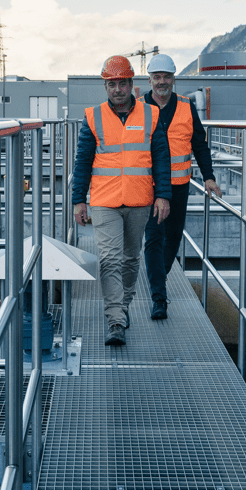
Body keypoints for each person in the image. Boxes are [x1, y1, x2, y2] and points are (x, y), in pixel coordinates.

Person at [72, 55, 171, 346]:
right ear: (106, 86)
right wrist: (79, 199)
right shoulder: (93, 117)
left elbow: (162, 159)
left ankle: (124, 303)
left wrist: (163, 195)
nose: (117, 89)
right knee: (110, 259)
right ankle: (115, 319)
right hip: (104, 200)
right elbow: (83, 161)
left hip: (140, 199)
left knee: (130, 259)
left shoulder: (151, 115)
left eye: (122, 83)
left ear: (132, 84)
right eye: (112, 84)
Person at [140, 54, 221, 320]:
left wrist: (209, 177)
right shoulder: (138, 108)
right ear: (150, 79)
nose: (161, 82)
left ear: (174, 79)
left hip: (179, 185)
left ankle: (157, 278)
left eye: (166, 77)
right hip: (149, 186)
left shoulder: (186, 107)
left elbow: (199, 144)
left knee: (172, 239)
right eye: (157, 77)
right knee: (153, 238)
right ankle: (158, 297)